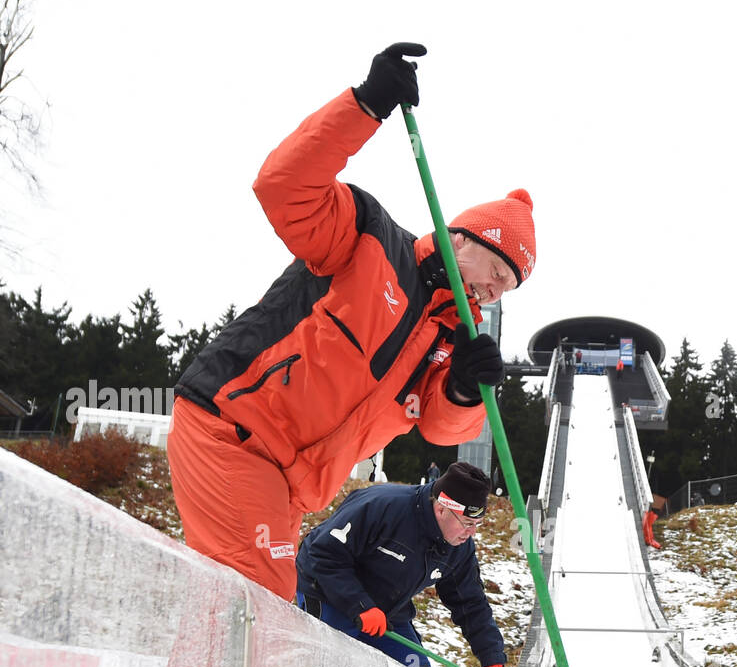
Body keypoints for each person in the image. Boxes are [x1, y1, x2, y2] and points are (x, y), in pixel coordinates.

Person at [167, 42, 536, 602]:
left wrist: (464, 386)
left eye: (509, 287)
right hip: (236, 433)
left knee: (242, 620)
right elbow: (283, 188)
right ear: (465, 237)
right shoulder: (370, 240)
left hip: (290, 485)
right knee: (254, 613)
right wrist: (365, 107)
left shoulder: (447, 337)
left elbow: (440, 427)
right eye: (499, 270)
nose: (496, 289)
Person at [295, 461, 507, 667]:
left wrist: (492, 659)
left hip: (385, 606)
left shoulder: (459, 547)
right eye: (467, 523)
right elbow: (323, 554)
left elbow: (470, 602)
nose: (472, 533)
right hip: (329, 591)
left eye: (478, 524)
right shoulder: (383, 506)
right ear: (441, 509)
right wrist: (360, 604)